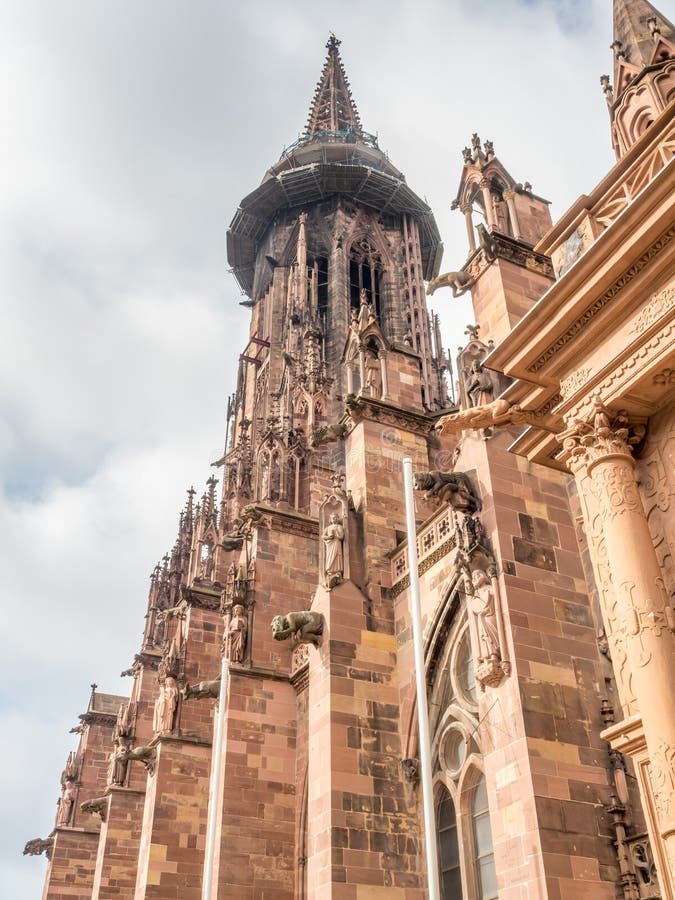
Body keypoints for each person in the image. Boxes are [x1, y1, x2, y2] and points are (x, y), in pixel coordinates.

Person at [323, 513, 344, 581]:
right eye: (332, 518)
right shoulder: (328, 528)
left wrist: (337, 533)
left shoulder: (339, 526)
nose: (334, 519)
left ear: (337, 519)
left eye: (335, 517)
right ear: (330, 519)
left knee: (337, 556)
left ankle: (338, 571)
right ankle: (329, 571)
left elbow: (341, 537)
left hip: (336, 542)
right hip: (330, 544)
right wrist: (329, 537)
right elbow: (323, 536)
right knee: (330, 556)